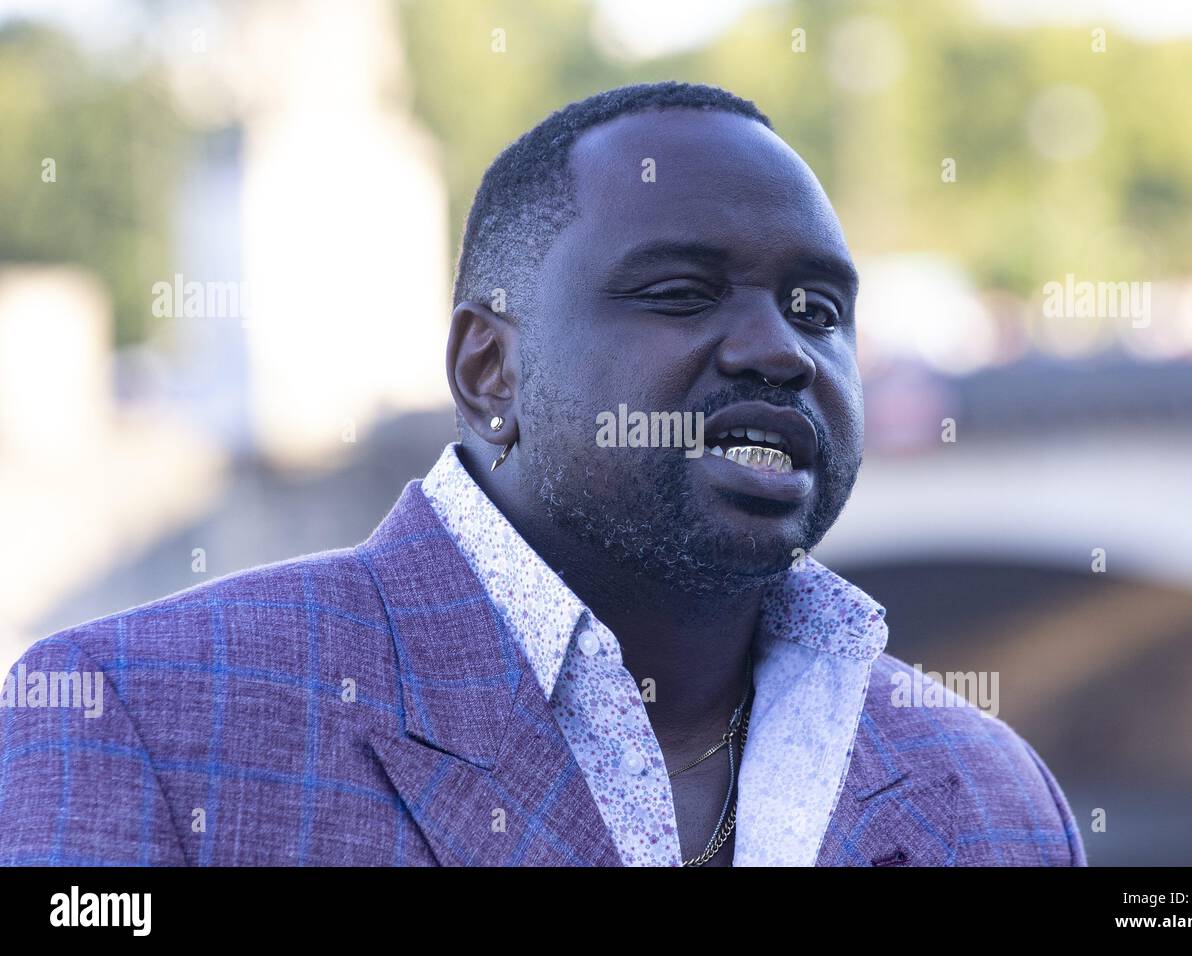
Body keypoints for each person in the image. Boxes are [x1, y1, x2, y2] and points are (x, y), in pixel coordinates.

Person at [0, 81, 1085, 866]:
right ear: (489, 365)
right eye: (678, 292)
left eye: (818, 309)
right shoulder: (142, 720)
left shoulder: (994, 795)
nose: (779, 349)